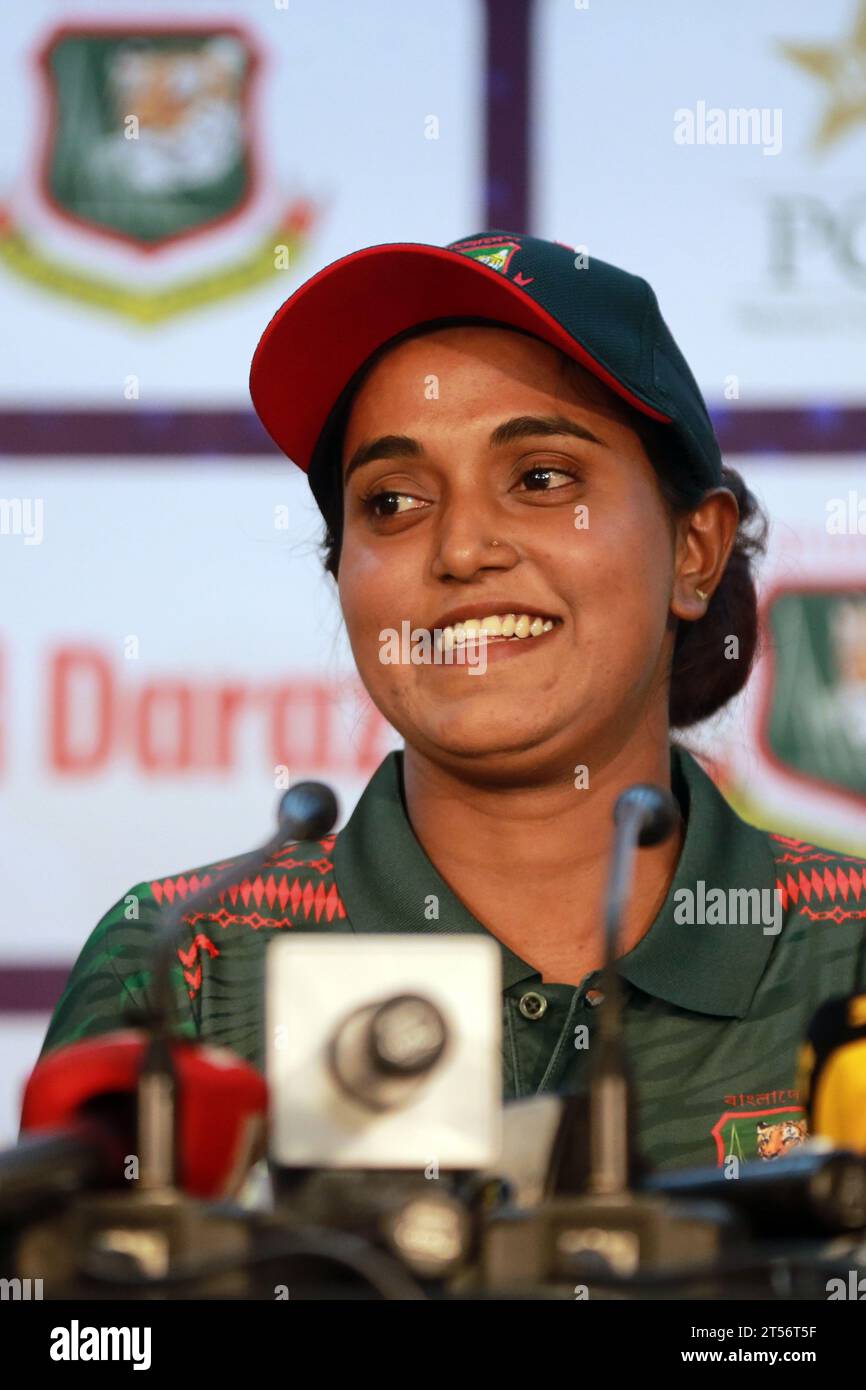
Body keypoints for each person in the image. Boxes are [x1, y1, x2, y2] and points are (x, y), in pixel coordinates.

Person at [39, 230, 866, 1172]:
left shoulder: (850, 950)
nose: (462, 549)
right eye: (393, 501)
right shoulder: (187, 965)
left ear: (694, 551)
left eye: (543, 479)